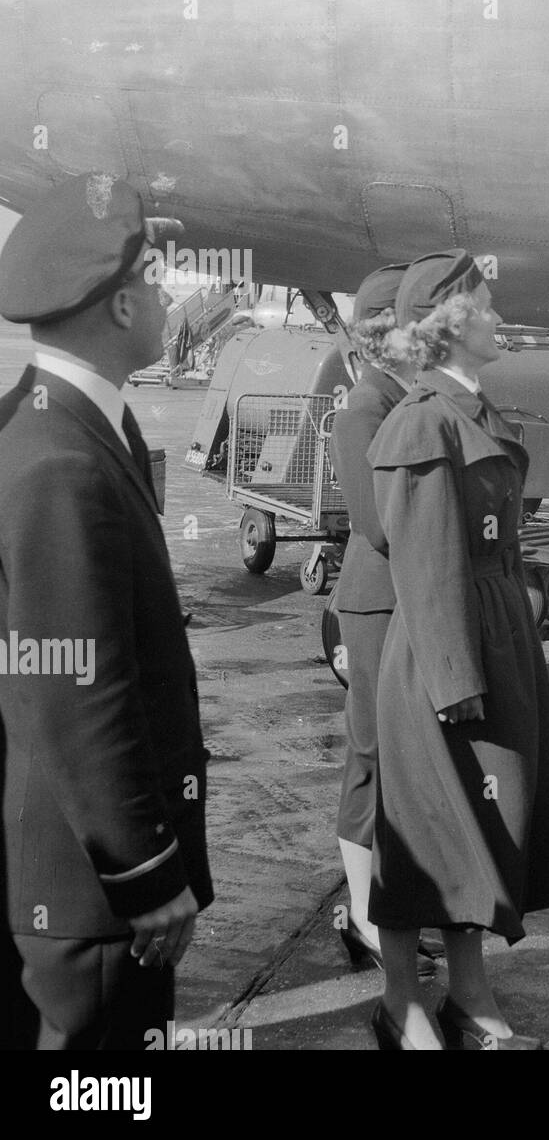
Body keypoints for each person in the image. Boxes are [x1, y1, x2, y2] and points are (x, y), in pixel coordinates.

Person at [0, 174, 213, 1049]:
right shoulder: (61, 460)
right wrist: (145, 872)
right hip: (86, 890)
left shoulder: (68, 426)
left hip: (76, 880)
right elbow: (78, 693)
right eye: (157, 279)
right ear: (122, 307)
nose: (170, 296)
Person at [366, 252, 549, 1050]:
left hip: (490, 638)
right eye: (486, 308)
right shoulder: (423, 422)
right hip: (443, 657)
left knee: (480, 834)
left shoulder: (468, 410)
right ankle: (402, 1005)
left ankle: (467, 999)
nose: (499, 320)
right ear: (451, 323)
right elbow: (423, 562)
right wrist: (456, 677)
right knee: (430, 834)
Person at [329, 262, 440, 974]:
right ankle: (365, 917)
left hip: (413, 601)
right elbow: (375, 522)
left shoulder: (415, 397)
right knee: (371, 760)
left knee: (407, 765)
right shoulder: (365, 405)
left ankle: (392, 910)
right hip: (378, 604)